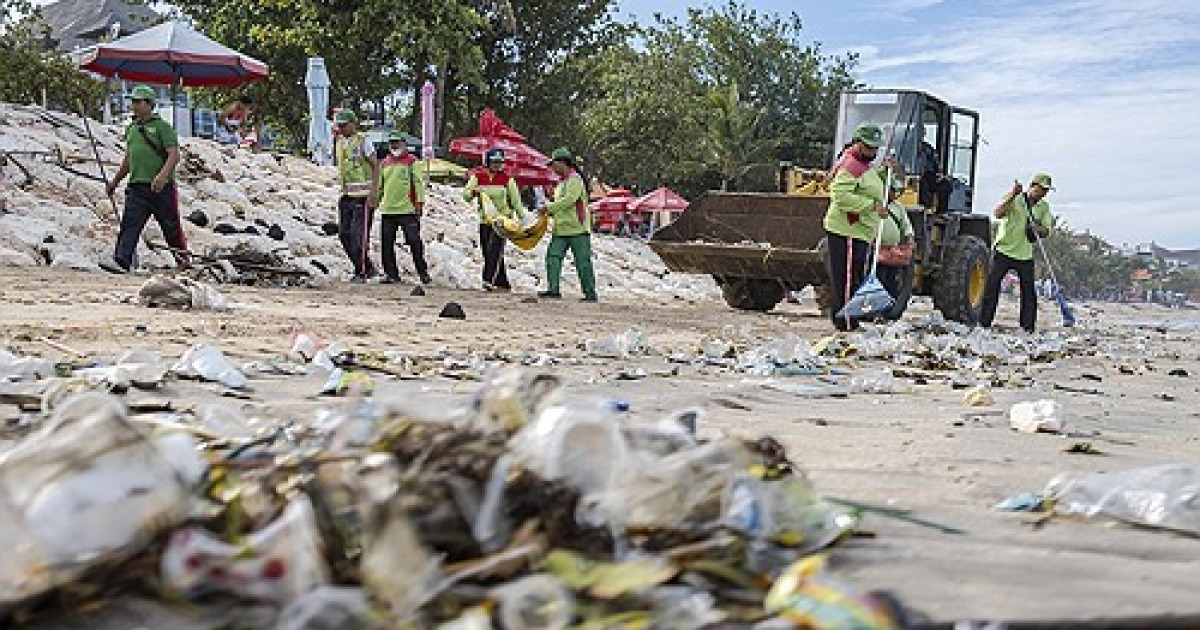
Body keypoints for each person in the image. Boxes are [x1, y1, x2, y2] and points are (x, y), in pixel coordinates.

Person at [101, 84, 187, 273]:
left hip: (161, 188)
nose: (135, 105)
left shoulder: (162, 128)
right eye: (133, 102)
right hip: (137, 186)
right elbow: (129, 159)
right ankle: (122, 261)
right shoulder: (131, 128)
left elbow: (174, 155)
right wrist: (114, 182)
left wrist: (162, 176)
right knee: (129, 225)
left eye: (139, 102)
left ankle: (183, 260)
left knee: (170, 226)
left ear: (149, 104)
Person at [823, 123, 892, 331]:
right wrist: (872, 206)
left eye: (876, 148)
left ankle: (850, 319)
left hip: (859, 231)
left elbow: (866, 184)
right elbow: (840, 196)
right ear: (858, 143)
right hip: (847, 229)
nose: (874, 152)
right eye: (870, 147)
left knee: (854, 276)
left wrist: (884, 172)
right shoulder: (850, 164)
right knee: (846, 278)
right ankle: (845, 321)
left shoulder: (865, 166)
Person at [980, 173, 1055, 333]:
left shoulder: (1043, 207)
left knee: (1029, 292)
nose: (1043, 194)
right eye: (1041, 189)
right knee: (991, 287)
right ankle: (984, 323)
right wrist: (1013, 195)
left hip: (1025, 254)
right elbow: (997, 213)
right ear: (1032, 186)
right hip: (1004, 250)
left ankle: (1027, 328)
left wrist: (1038, 229)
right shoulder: (1015, 198)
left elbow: (1047, 230)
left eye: (1046, 191)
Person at [538, 148, 597, 302]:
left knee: (583, 262)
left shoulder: (575, 180)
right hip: (560, 229)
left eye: (554, 165)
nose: (553, 168)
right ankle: (553, 289)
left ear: (563, 163)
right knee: (553, 257)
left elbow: (569, 200)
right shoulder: (561, 183)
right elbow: (559, 203)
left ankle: (590, 293)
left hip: (578, 228)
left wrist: (549, 207)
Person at [463, 148, 525, 291]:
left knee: (494, 251)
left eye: (499, 162)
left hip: (502, 222)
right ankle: (502, 282)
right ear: (487, 162)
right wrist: (474, 192)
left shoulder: (507, 179)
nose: (497, 165)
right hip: (485, 221)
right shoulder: (478, 177)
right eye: (494, 162)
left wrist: (523, 218)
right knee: (488, 252)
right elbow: (465, 195)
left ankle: (487, 280)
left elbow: (516, 202)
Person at [377, 131, 430, 285]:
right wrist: (376, 200)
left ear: (404, 144)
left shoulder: (411, 161)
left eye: (397, 142)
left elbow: (418, 183)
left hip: (407, 209)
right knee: (386, 244)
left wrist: (420, 203)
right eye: (392, 143)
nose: (394, 145)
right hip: (388, 209)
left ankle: (422, 272)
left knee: (414, 241)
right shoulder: (385, 162)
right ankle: (391, 274)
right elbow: (381, 185)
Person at [333, 110, 379, 281]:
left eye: (345, 125)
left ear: (354, 123)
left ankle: (361, 272)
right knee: (344, 234)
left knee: (358, 236)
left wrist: (374, 192)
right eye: (340, 126)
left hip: (363, 195)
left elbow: (375, 165)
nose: (342, 129)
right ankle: (366, 266)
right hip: (346, 194)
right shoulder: (339, 142)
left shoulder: (363, 141)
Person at [876, 176, 915, 313]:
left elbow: (906, 225)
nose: (895, 194)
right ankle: (876, 309)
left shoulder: (898, 207)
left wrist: (910, 238)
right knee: (878, 280)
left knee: (891, 281)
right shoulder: (876, 204)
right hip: (876, 251)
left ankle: (890, 310)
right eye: (893, 190)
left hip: (893, 253)